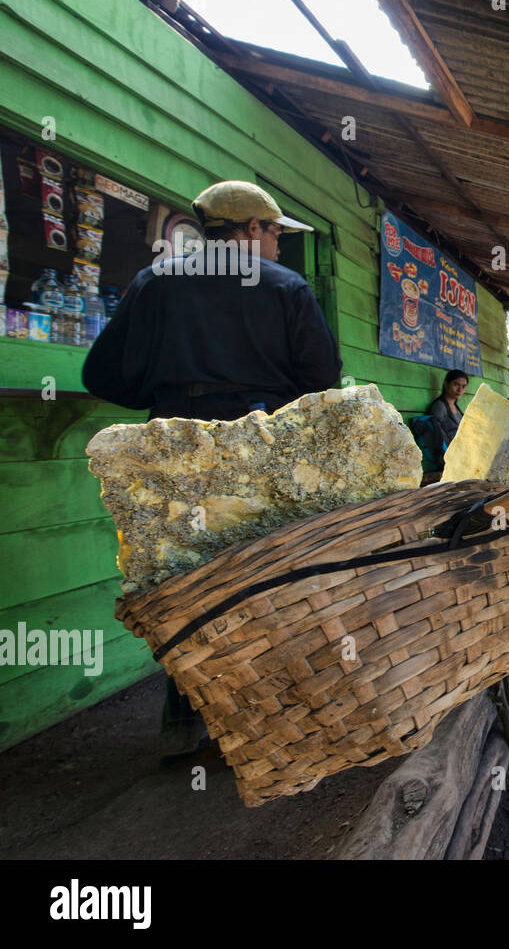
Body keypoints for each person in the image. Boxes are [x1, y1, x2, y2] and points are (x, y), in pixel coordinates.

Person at [83, 179, 342, 760]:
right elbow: (323, 378)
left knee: (183, 585)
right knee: (263, 576)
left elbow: (102, 376)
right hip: (256, 448)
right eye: (275, 231)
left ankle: (185, 721)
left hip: (173, 451)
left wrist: (168, 393)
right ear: (250, 229)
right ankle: (263, 725)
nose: (278, 244)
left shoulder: (155, 282)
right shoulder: (286, 287)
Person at [429, 369, 469, 455]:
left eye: (463, 386)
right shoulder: (440, 406)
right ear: (446, 384)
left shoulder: (456, 408)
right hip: (448, 455)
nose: (460, 389)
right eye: (456, 384)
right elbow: (437, 435)